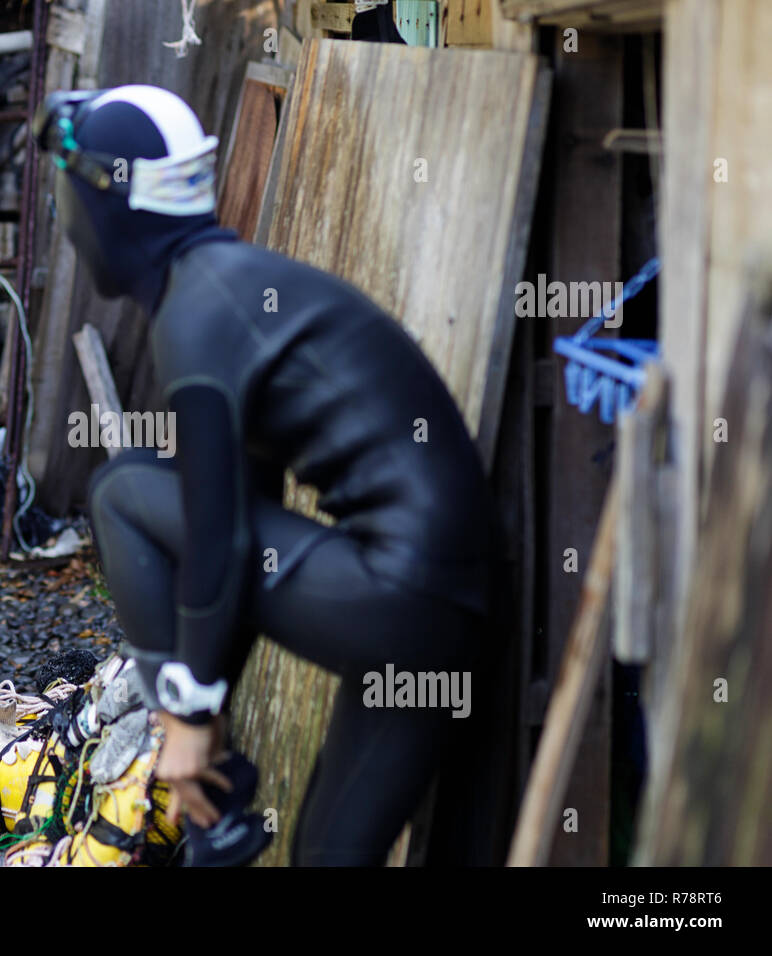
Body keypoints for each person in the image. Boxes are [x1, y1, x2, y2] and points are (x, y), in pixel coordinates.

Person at [33, 85, 493, 865]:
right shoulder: (226, 290)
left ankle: (209, 795)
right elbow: (243, 532)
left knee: (120, 492)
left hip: (397, 593)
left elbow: (221, 541)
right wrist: (207, 706)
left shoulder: (198, 313)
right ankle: (221, 806)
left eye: (70, 197)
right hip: (438, 621)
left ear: (109, 204)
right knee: (326, 854)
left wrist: (185, 715)